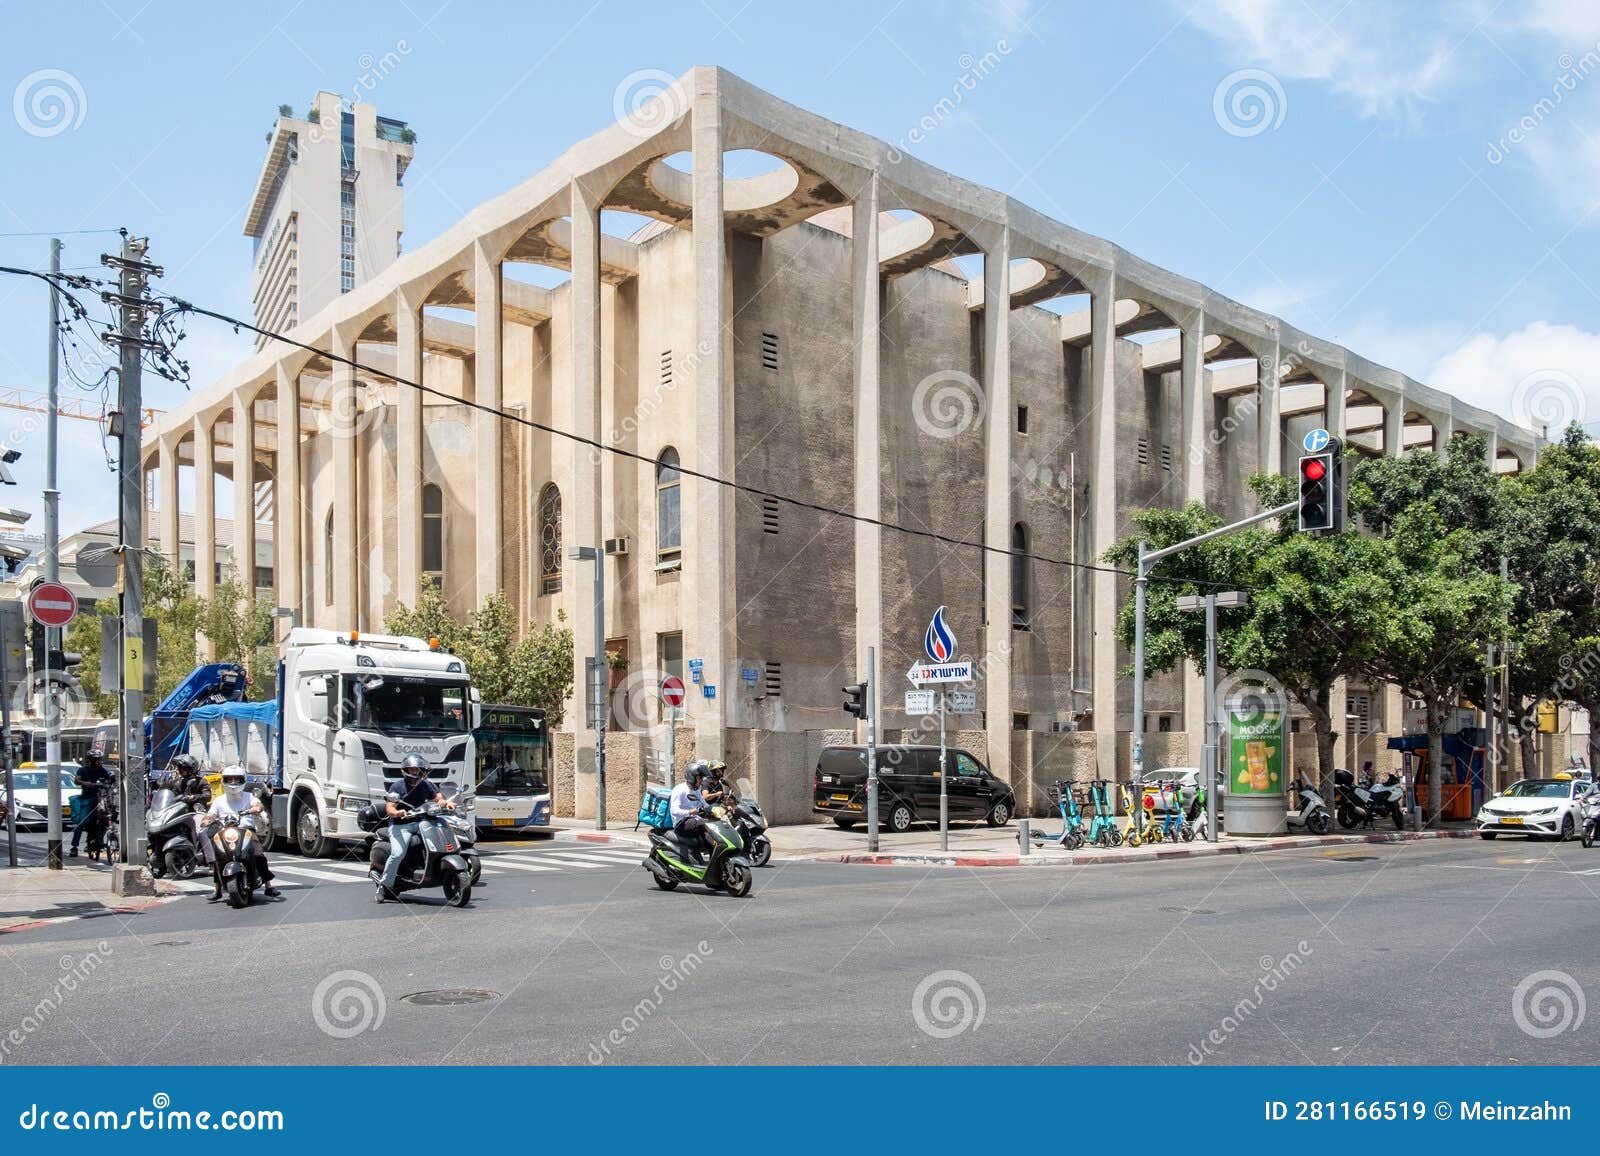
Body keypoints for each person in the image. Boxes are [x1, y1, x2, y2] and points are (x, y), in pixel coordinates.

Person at [376, 755, 454, 898]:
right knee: (398, 853)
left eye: (418, 770)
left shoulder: (425, 784)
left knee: (439, 836)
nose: (415, 772)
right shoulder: (397, 786)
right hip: (400, 825)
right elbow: (389, 808)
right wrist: (397, 813)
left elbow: (437, 798)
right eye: (412, 769)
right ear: (406, 771)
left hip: (421, 822)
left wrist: (446, 803)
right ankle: (384, 886)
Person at [201, 764, 280, 901]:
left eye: (236, 779)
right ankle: (217, 889)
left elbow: (258, 806)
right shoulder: (219, 800)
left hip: (246, 830)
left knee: (258, 854)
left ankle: (268, 886)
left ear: (242, 780)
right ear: (224, 781)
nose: (233, 782)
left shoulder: (249, 797)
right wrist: (206, 820)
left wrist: (255, 809)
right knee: (218, 857)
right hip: (225, 831)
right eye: (230, 779)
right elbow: (211, 814)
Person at [68, 751, 116, 858]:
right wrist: (85, 783)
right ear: (91, 760)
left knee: (105, 818)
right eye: (96, 759)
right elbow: (77, 780)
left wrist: (111, 779)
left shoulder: (102, 770)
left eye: (100, 759)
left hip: (101, 798)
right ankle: (74, 847)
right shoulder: (83, 770)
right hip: (87, 799)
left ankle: (99, 840)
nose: (99, 762)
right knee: (81, 823)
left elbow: (109, 779)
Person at [670, 762, 711, 859]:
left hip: (693, 820)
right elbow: (674, 810)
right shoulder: (679, 789)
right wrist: (689, 812)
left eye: (701, 778)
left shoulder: (696, 790)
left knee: (713, 825)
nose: (701, 781)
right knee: (705, 825)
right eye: (699, 778)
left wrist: (716, 809)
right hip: (681, 823)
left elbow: (704, 803)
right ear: (692, 777)